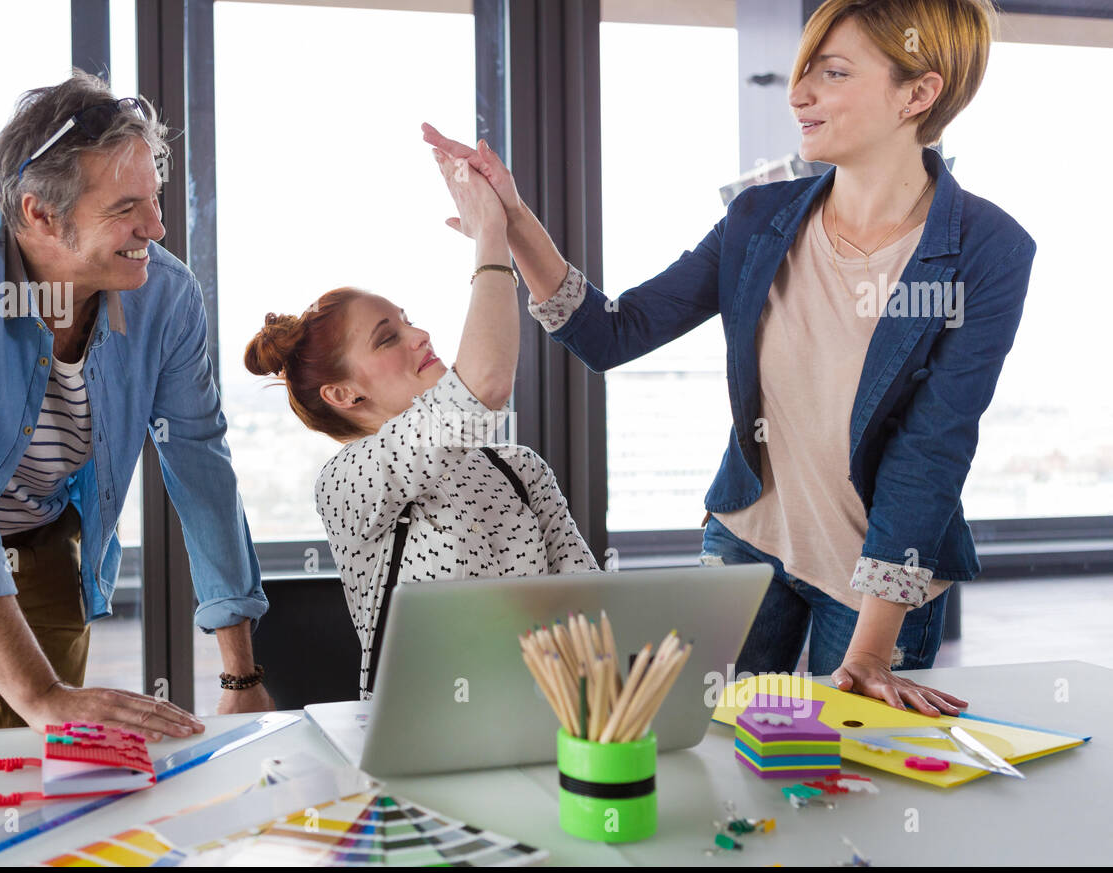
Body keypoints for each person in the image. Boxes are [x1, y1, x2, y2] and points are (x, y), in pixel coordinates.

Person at [424, 0, 1033, 717]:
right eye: (804, 70)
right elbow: (610, 333)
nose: (799, 93)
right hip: (748, 542)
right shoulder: (759, 220)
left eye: (832, 73)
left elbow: (933, 446)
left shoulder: (990, 249)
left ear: (918, 94)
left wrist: (869, 655)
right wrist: (513, 220)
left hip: (879, 581)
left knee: (853, 784)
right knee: (713, 753)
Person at [0, 71, 273, 737]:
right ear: (39, 213)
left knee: (42, 768)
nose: (157, 225)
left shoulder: (167, 295)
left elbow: (199, 460)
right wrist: (37, 692)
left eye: (154, 198)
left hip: (40, 538)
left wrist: (241, 675)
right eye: (125, 209)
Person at [244, 147, 597, 698]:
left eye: (407, 321)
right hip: (421, 741)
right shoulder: (347, 481)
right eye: (388, 337)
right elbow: (482, 388)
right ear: (343, 393)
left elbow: (592, 615)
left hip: (544, 728)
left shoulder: (520, 468)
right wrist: (491, 234)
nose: (420, 336)